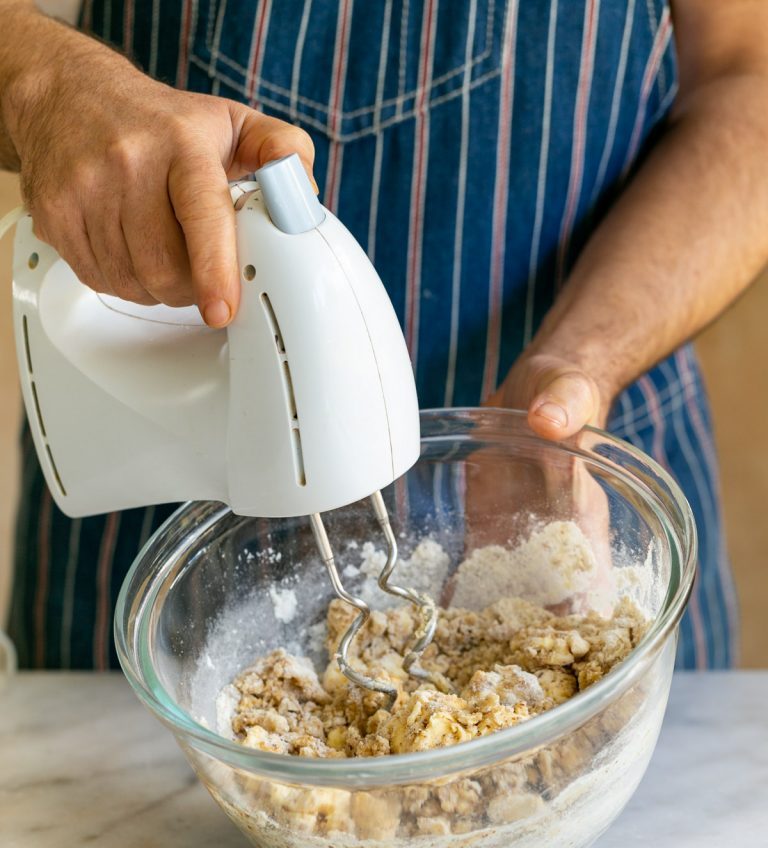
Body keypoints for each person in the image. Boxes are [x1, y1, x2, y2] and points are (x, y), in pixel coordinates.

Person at [2, 0, 761, 671]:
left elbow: (746, 82)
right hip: (155, 529)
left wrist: (583, 361)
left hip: (574, 477)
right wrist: (41, 83)